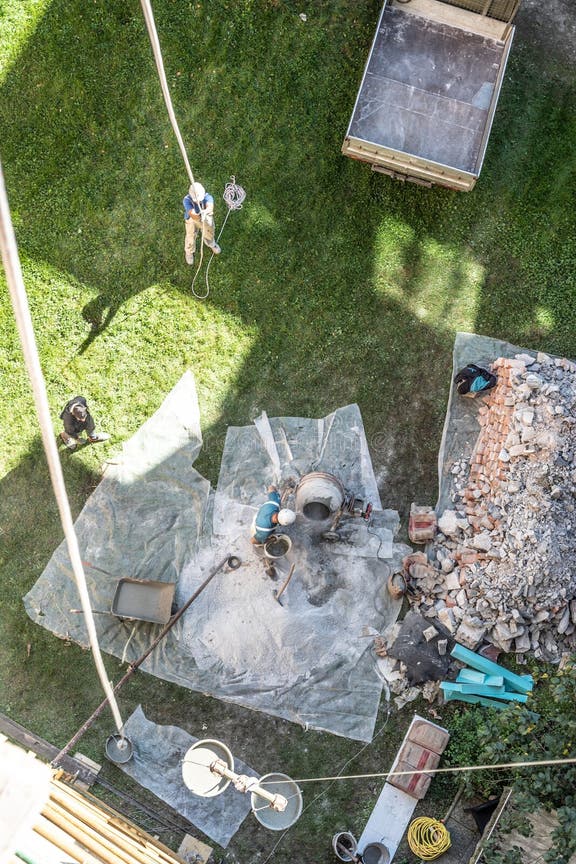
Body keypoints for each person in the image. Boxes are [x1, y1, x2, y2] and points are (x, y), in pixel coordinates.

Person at [183, 181, 221, 265]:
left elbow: (210, 207)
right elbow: (192, 214)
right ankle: (189, 251)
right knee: (190, 236)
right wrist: (199, 216)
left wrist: (205, 212)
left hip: (206, 218)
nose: (198, 202)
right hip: (192, 219)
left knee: (209, 233)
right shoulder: (187, 200)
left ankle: (211, 244)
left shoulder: (208, 197)